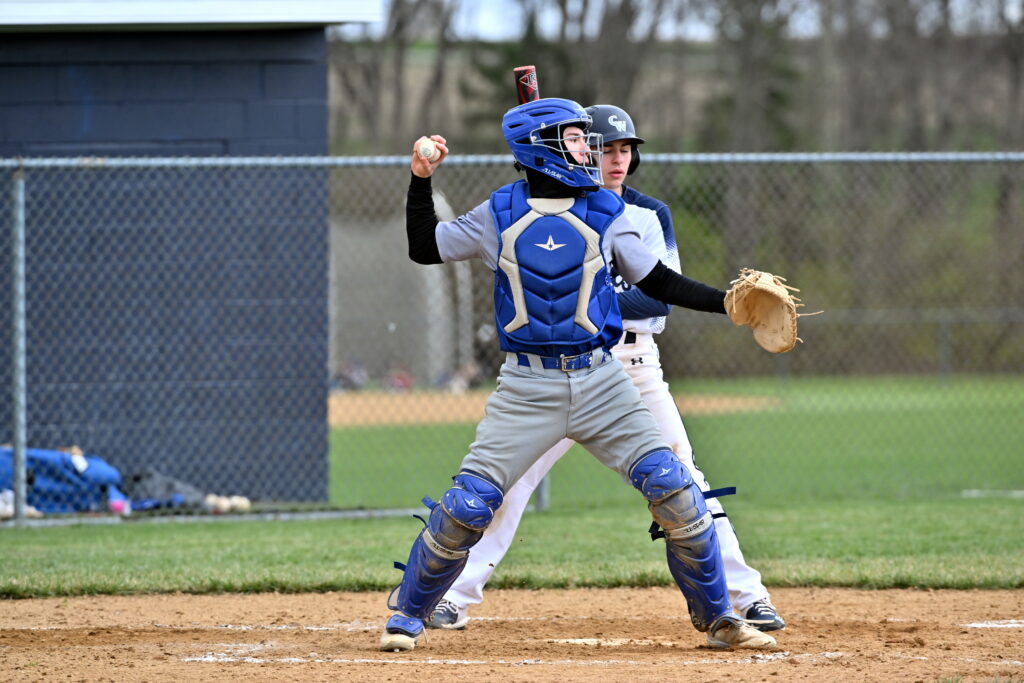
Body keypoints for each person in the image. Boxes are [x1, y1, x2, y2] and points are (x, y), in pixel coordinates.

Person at [380, 97, 777, 653]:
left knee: (675, 489)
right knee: (469, 504)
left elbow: (659, 281)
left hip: (602, 380)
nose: (587, 150)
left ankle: (720, 618)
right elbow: (426, 247)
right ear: (541, 146)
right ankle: (409, 615)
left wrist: (727, 304)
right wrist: (421, 180)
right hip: (526, 385)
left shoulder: (605, 211)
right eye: (573, 138)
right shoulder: (498, 212)